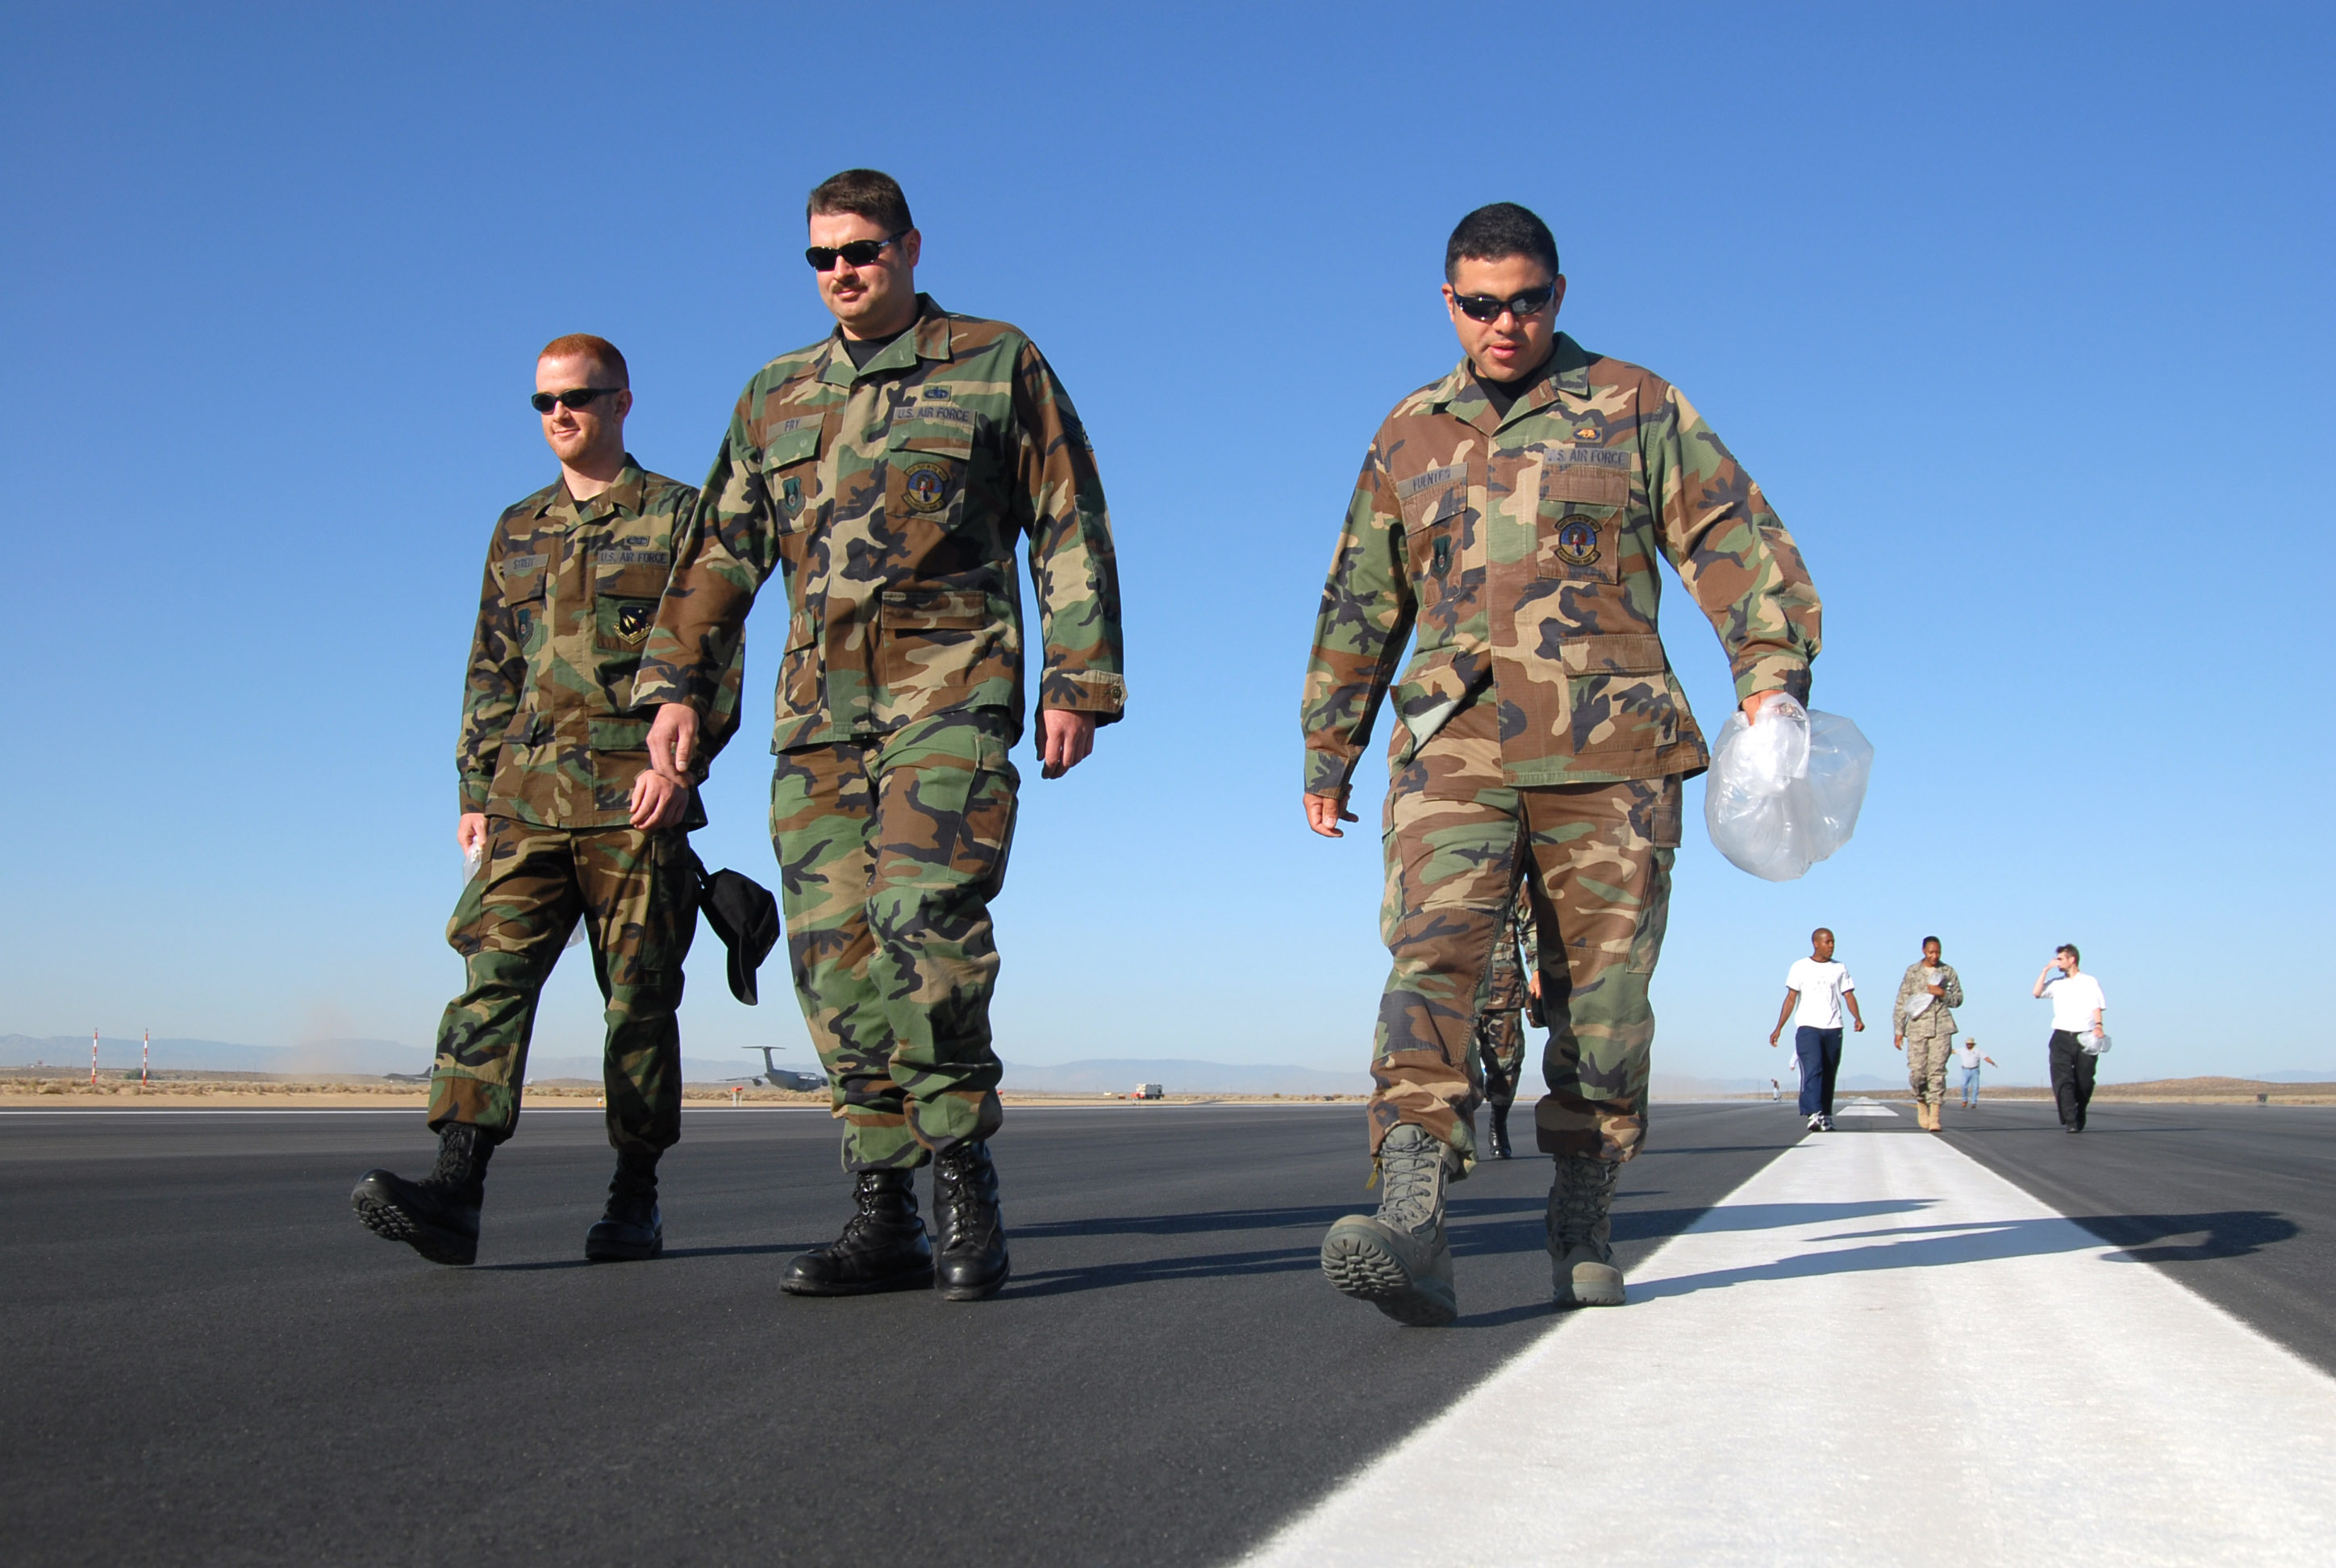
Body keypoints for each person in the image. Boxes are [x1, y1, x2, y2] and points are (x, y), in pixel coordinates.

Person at [1301, 202, 1824, 1324]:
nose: (1506, 323)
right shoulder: (1408, 433)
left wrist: (1770, 678)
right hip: (1456, 740)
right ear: (1449, 303)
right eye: (1482, 305)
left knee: (1604, 1001)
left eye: (1527, 301)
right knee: (1432, 965)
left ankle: (1583, 1215)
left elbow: (1733, 538)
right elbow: (1361, 596)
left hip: (1613, 745)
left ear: (1559, 295)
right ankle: (1412, 1213)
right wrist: (1328, 745)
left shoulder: (1634, 405)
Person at [636, 170, 1125, 1302]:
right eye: (822, 257)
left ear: (909, 247)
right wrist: (676, 688)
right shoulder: (776, 395)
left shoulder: (995, 362)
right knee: (832, 957)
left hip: (949, 694)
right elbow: (719, 554)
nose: (843, 273)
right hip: (817, 719)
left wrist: (1080, 678)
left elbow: (1067, 519)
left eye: (862, 250)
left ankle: (962, 1165)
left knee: (924, 915)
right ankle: (884, 1207)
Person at [350, 335, 742, 1267]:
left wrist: (679, 769)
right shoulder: (516, 526)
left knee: (637, 1005)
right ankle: (456, 1188)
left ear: (623, 404)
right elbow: (490, 668)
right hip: (526, 800)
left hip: (634, 803)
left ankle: (634, 1195)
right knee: (491, 982)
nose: (559, 415)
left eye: (578, 397)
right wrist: (474, 790)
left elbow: (714, 657)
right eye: (544, 402)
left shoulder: (683, 517)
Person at [1769, 928, 1863, 1131]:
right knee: (1813, 1070)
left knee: (1829, 1072)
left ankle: (1826, 1114)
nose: (1831, 946)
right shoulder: (1800, 967)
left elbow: (1848, 995)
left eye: (1833, 942)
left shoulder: (1840, 968)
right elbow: (1791, 999)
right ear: (1816, 943)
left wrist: (1857, 1018)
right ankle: (1813, 1113)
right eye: (1827, 942)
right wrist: (1779, 1028)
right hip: (1808, 1028)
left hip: (1834, 1027)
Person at [1474, 884, 1539, 1160]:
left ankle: (1498, 1122)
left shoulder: (1511, 882)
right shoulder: (1446, 874)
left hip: (1504, 992)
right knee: (1452, 1069)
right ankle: (1454, 1138)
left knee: (1505, 1070)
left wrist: (1538, 971)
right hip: (1454, 993)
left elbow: (1532, 928)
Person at [1891, 936, 1964, 1132]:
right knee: (1918, 1074)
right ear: (1924, 951)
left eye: (1937, 952)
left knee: (1937, 1072)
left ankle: (1935, 1117)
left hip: (1942, 1027)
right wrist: (1899, 1030)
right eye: (1931, 952)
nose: (1934, 956)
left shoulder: (1947, 972)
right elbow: (1902, 1001)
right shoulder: (1913, 972)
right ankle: (1921, 1101)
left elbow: (1958, 999)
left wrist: (1942, 994)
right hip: (1917, 1028)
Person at [2034, 945, 2107, 1132]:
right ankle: (2070, 1119)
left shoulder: (2089, 982)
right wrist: (2045, 970)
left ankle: (2080, 1109)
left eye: (2061, 959)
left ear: (2072, 959)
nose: (2057, 962)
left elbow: (2096, 1006)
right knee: (2062, 1079)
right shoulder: (2057, 983)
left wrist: (2099, 1026)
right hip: (2061, 1036)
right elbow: (2037, 992)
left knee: (2085, 1081)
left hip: (2085, 1036)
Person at [1955, 1038, 1995, 1109]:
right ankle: (1964, 1100)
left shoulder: (1978, 1051)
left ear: (1973, 1044)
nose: (1968, 1045)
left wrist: (1991, 1062)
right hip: (1965, 1070)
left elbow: (1985, 1057)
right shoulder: (1962, 1050)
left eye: (1970, 1044)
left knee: (1975, 1086)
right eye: (1967, 1044)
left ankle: (1974, 1102)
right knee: (1964, 1085)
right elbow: (1952, 1051)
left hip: (1975, 1070)